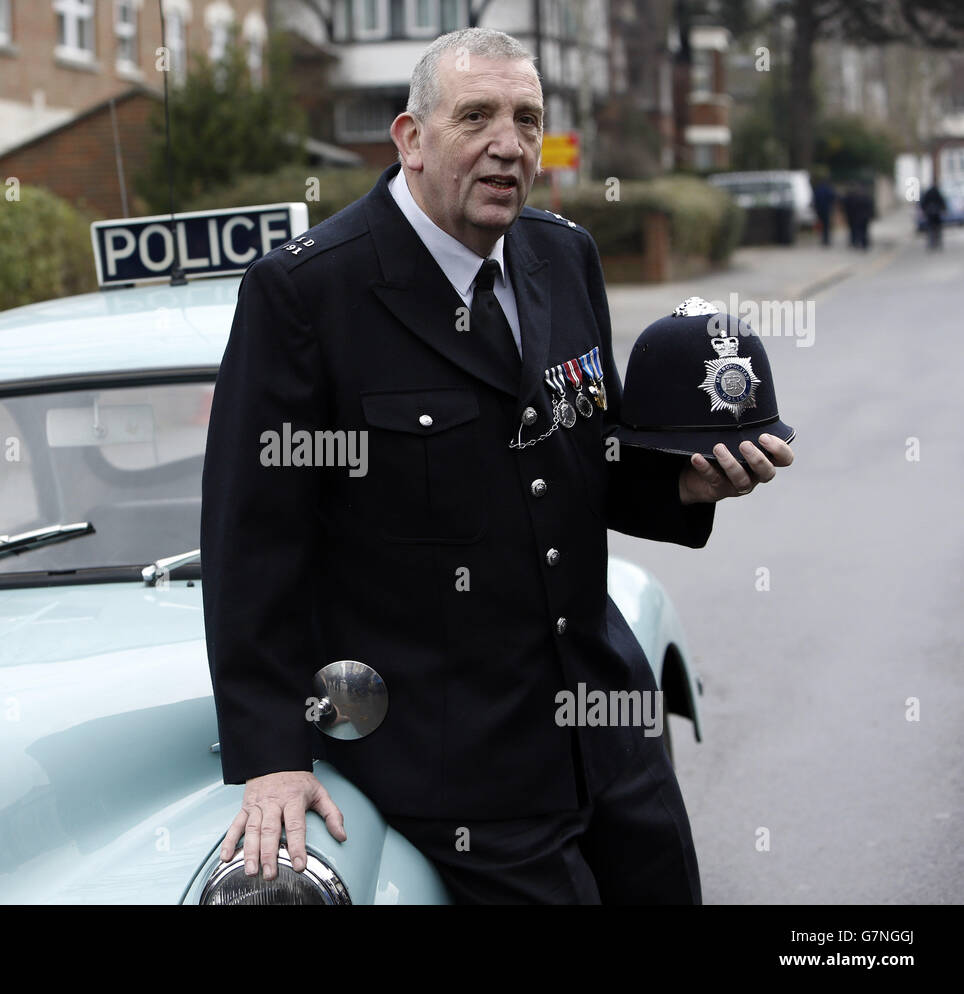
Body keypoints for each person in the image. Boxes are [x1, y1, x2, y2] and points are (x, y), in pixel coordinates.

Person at [200, 27, 793, 903]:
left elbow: (577, 453)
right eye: (476, 115)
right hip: (458, 763)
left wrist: (681, 481)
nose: (508, 144)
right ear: (409, 137)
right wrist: (272, 761)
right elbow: (252, 540)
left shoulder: (563, 254)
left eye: (527, 118)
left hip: (604, 725)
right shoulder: (306, 293)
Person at [811, 171, 836, 246]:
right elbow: (833, 198)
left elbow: (815, 199)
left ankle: (823, 239)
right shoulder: (828, 189)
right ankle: (826, 239)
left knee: (821, 224)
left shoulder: (818, 189)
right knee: (826, 225)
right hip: (827, 209)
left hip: (819, 209)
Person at [921, 183, 946, 250]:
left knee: (930, 228)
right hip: (936, 213)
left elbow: (923, 203)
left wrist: (924, 210)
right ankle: (937, 242)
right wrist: (943, 209)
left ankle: (931, 243)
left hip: (930, 213)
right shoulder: (937, 193)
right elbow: (942, 201)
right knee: (937, 228)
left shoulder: (928, 193)